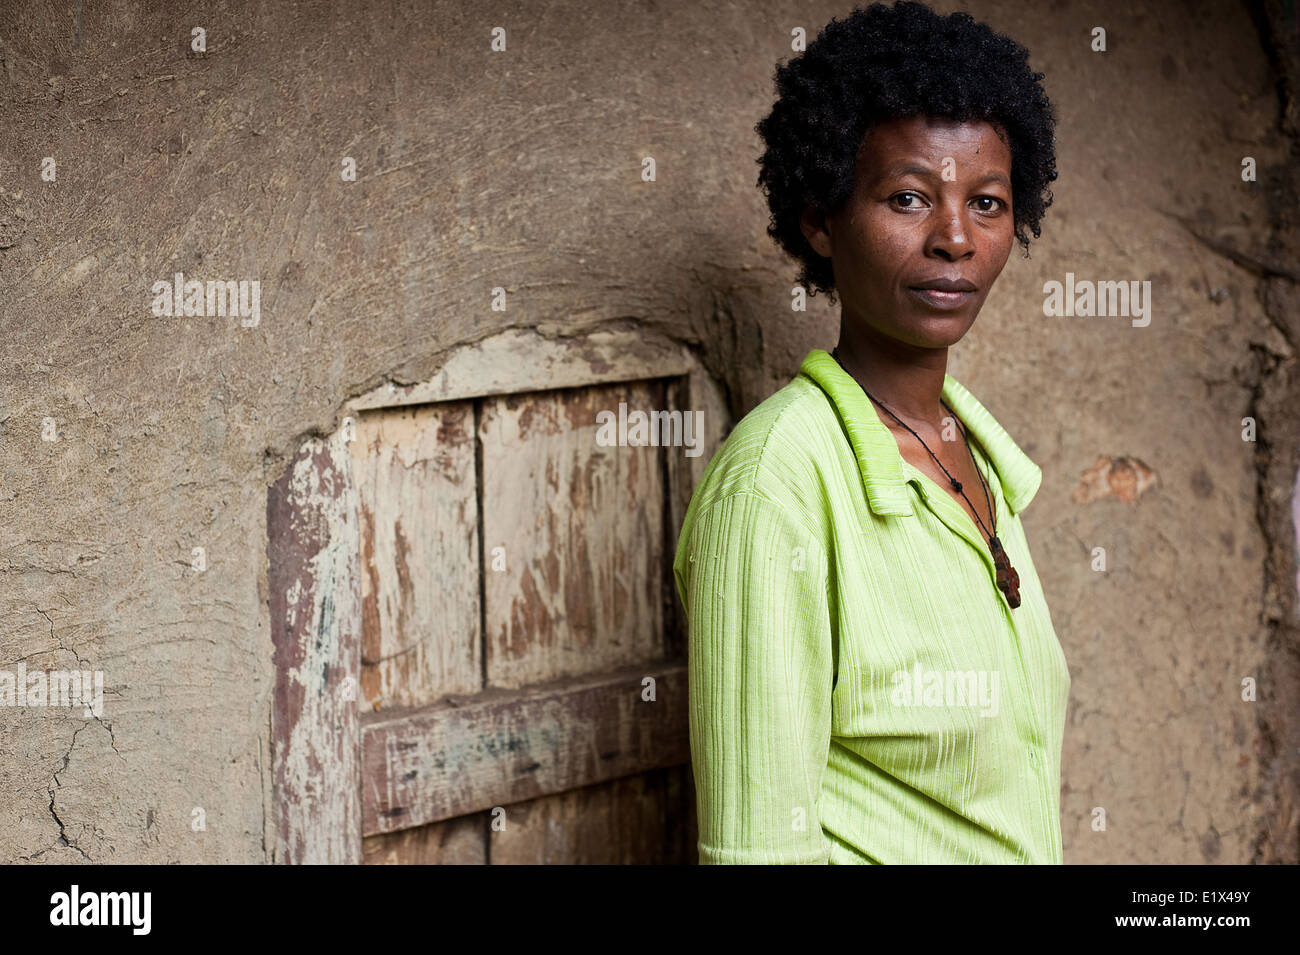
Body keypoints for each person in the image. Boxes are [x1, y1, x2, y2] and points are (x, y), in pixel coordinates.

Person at [672, 0, 1070, 864]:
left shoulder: (980, 465)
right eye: (908, 198)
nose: (955, 238)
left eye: (989, 202)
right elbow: (757, 850)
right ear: (822, 218)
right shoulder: (775, 487)